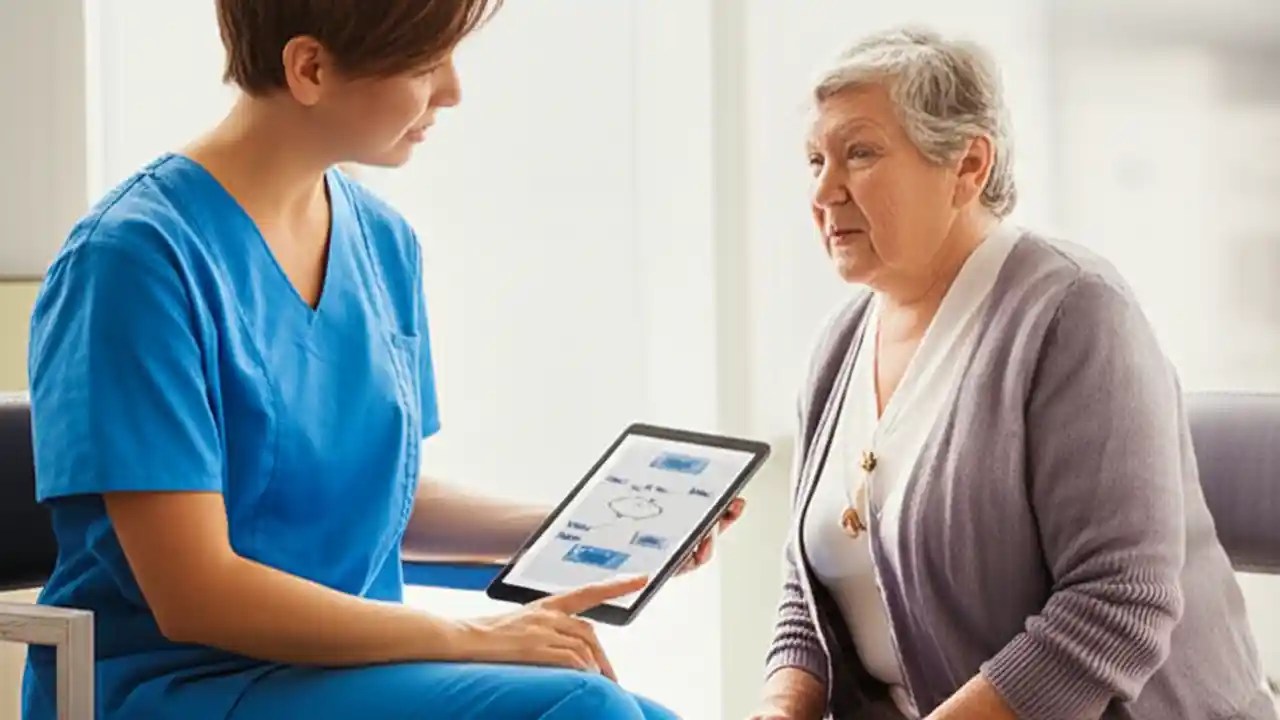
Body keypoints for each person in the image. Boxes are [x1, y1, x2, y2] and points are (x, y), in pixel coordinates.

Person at [21, 2, 742, 719]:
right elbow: (194, 594)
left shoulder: (383, 241)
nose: (454, 90)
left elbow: (373, 499)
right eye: (428, 64)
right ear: (309, 68)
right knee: (581, 709)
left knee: (645, 717)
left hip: (341, 669)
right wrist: (474, 637)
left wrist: (583, 533)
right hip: (176, 681)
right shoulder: (133, 262)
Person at [750, 27, 1277, 720]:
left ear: (968, 164)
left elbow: (1118, 604)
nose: (824, 190)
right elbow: (811, 583)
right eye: (815, 159)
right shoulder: (837, 347)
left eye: (861, 153)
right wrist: (777, 710)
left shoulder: (1074, 314)